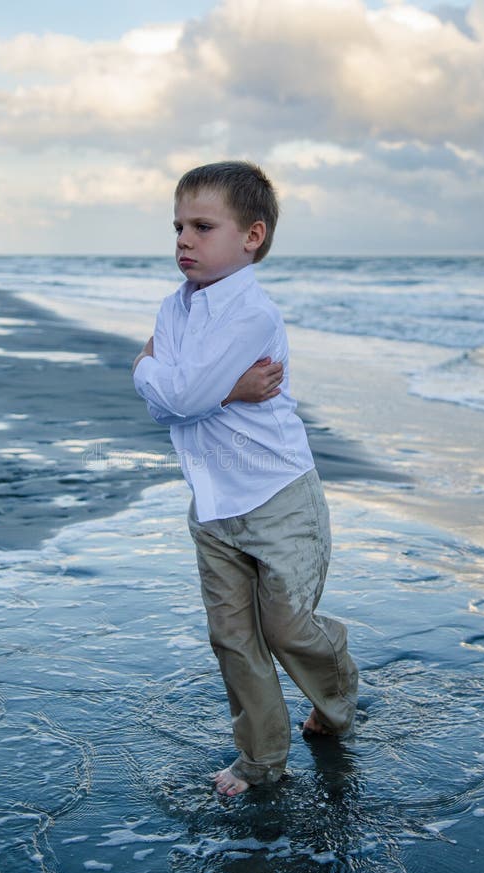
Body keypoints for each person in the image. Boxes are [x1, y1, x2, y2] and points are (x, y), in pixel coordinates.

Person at [132, 161, 358, 797]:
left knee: (287, 628)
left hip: (278, 495)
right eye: (177, 226)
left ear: (252, 236)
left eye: (203, 226)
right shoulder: (172, 310)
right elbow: (169, 402)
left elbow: (178, 391)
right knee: (232, 639)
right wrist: (218, 389)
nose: (183, 240)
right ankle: (261, 758)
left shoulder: (253, 315)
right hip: (211, 500)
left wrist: (152, 371)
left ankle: (337, 692)